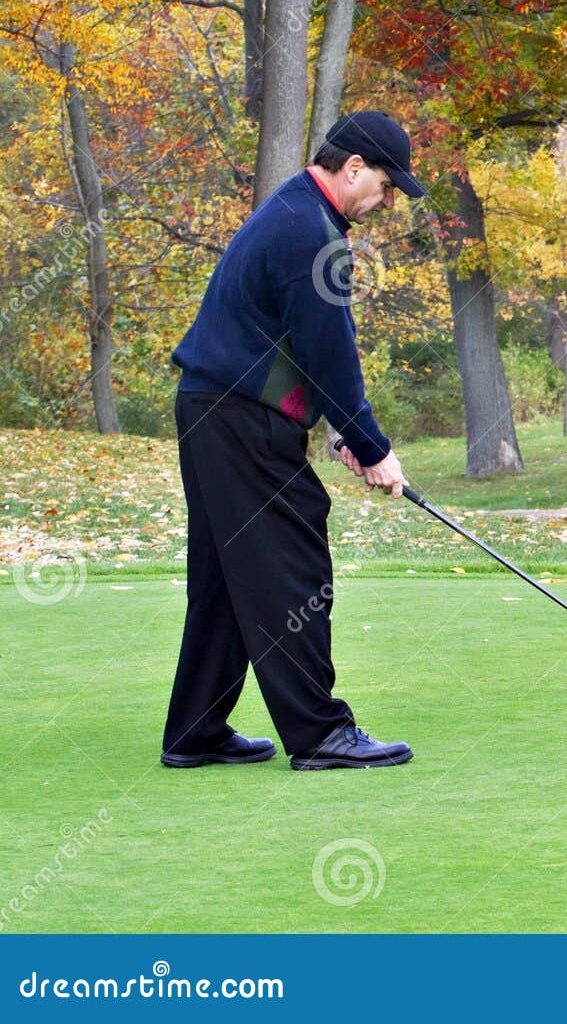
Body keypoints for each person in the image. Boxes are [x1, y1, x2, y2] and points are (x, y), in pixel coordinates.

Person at [162, 111, 425, 772]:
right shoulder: (312, 235)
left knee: (226, 574)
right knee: (293, 563)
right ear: (354, 167)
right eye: (387, 186)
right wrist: (370, 444)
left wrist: (340, 431)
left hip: (213, 409)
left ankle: (196, 728)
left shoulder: (298, 213)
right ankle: (320, 733)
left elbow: (296, 348)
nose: (388, 202)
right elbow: (330, 354)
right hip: (238, 418)